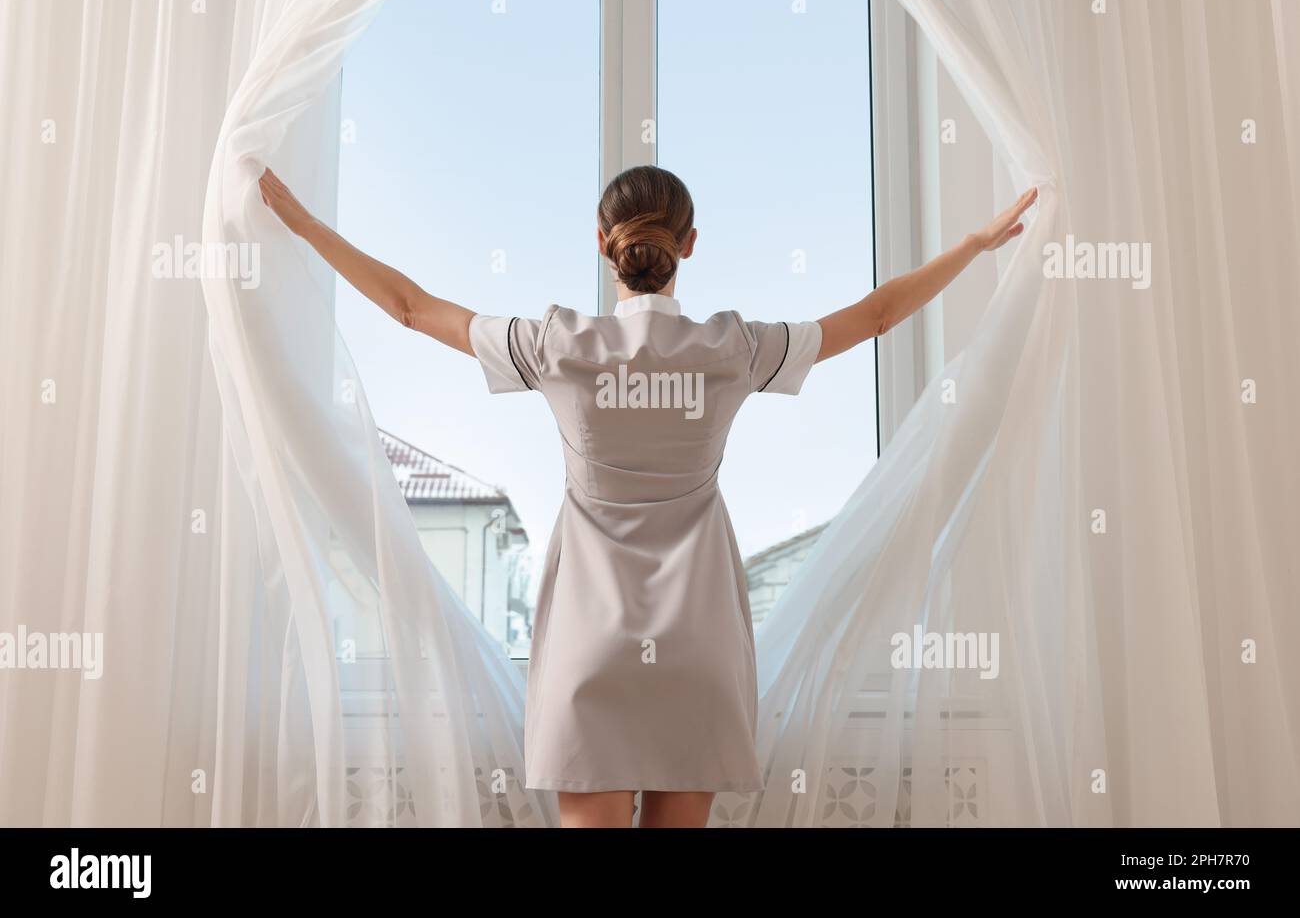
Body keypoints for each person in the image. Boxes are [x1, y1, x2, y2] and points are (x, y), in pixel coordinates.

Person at [259, 164, 1036, 828]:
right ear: (689, 244)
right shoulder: (732, 348)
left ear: (604, 245)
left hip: (587, 651)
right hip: (695, 648)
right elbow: (875, 315)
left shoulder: (560, 344)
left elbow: (409, 305)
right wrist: (972, 245)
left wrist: (299, 221)